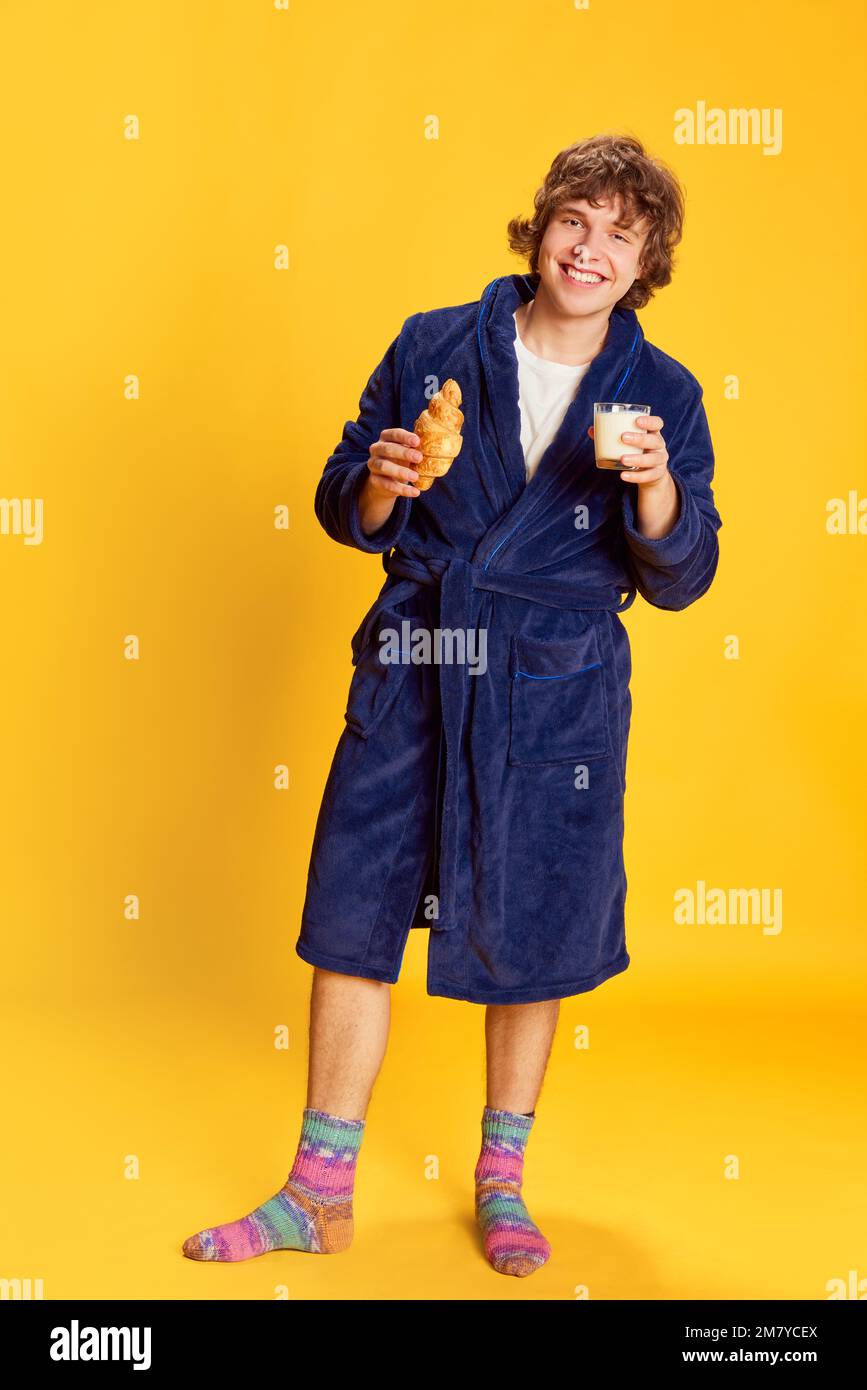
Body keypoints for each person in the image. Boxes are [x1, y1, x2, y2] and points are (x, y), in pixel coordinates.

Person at [182, 132, 722, 1278]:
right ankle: (314, 1192)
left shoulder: (660, 394)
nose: (591, 248)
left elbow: (686, 574)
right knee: (352, 914)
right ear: (541, 227)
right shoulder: (435, 347)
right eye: (576, 219)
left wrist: (656, 486)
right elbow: (344, 500)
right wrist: (379, 479)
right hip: (416, 662)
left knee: (533, 932)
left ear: (644, 267)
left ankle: (503, 1183)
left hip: (555, 693)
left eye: (621, 236)